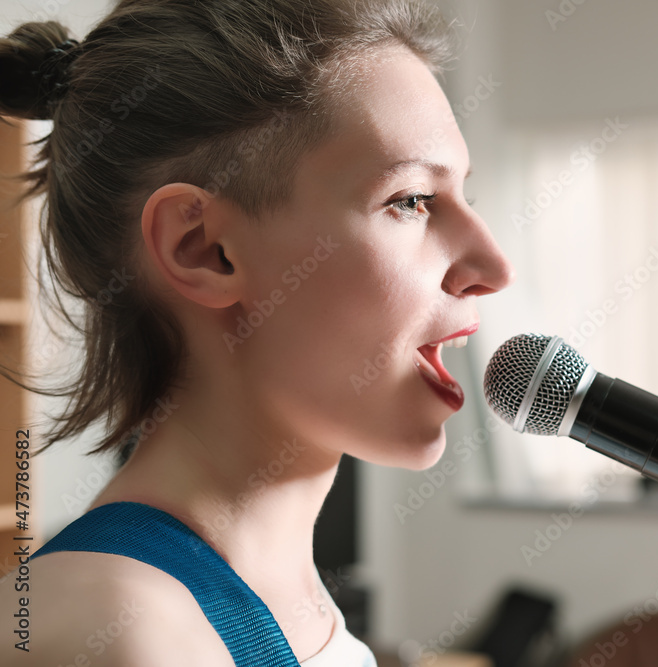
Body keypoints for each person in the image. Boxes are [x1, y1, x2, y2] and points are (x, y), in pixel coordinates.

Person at [0, 0, 514, 664]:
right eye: (411, 200)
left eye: (464, 197)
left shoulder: (284, 604)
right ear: (204, 247)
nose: (492, 268)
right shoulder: (125, 631)